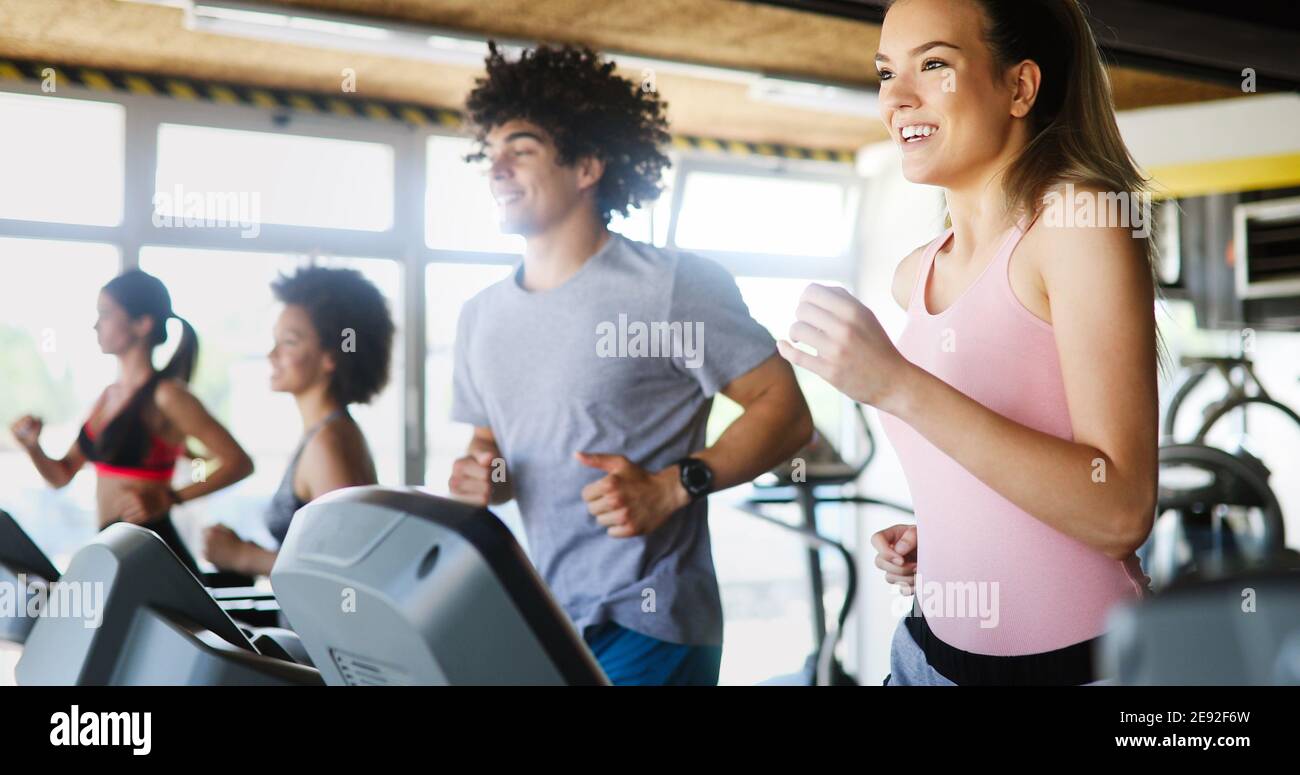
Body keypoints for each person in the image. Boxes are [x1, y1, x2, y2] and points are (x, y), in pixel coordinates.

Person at [781, 0, 1159, 685]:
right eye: (885, 72)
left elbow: (1121, 508)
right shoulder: (915, 274)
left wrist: (896, 383)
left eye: (933, 65)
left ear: (1019, 87)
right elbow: (996, 466)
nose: (896, 98)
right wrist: (959, 542)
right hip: (924, 656)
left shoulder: (1080, 222)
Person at [447, 43, 814, 685]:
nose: (496, 168)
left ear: (587, 166)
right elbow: (494, 444)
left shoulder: (670, 287)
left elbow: (785, 412)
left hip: (653, 622)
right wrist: (484, 476)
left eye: (522, 149)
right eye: (492, 152)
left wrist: (674, 486)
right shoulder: (480, 317)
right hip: (547, 616)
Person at [10, 269, 253, 577]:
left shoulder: (168, 396)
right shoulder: (108, 396)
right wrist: (33, 447)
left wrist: (172, 498)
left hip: (151, 549)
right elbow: (60, 476)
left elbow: (240, 463)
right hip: (114, 547)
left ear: (142, 324)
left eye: (106, 313)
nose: (96, 324)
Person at [202, 266, 394, 577]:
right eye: (275, 341)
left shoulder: (328, 443)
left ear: (331, 357)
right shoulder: (327, 433)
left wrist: (243, 556)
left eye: (289, 342)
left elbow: (348, 570)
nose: (271, 355)